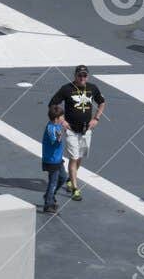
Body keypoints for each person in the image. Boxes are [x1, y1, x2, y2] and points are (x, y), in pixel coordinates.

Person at [49, 65, 106, 201]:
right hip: (72, 130)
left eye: (84, 76)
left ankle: (70, 178)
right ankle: (75, 188)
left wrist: (96, 118)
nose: (82, 78)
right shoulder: (66, 89)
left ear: (87, 76)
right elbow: (53, 104)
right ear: (75, 76)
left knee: (80, 156)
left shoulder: (92, 88)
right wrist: (62, 121)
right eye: (79, 75)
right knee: (74, 157)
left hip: (86, 130)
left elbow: (102, 102)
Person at [41, 102, 68, 213]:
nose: (63, 118)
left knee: (63, 177)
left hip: (57, 159)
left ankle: (49, 195)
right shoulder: (51, 128)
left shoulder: (56, 125)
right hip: (52, 160)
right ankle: (48, 204)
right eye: (62, 116)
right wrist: (58, 138)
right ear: (57, 118)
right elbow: (54, 140)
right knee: (53, 182)